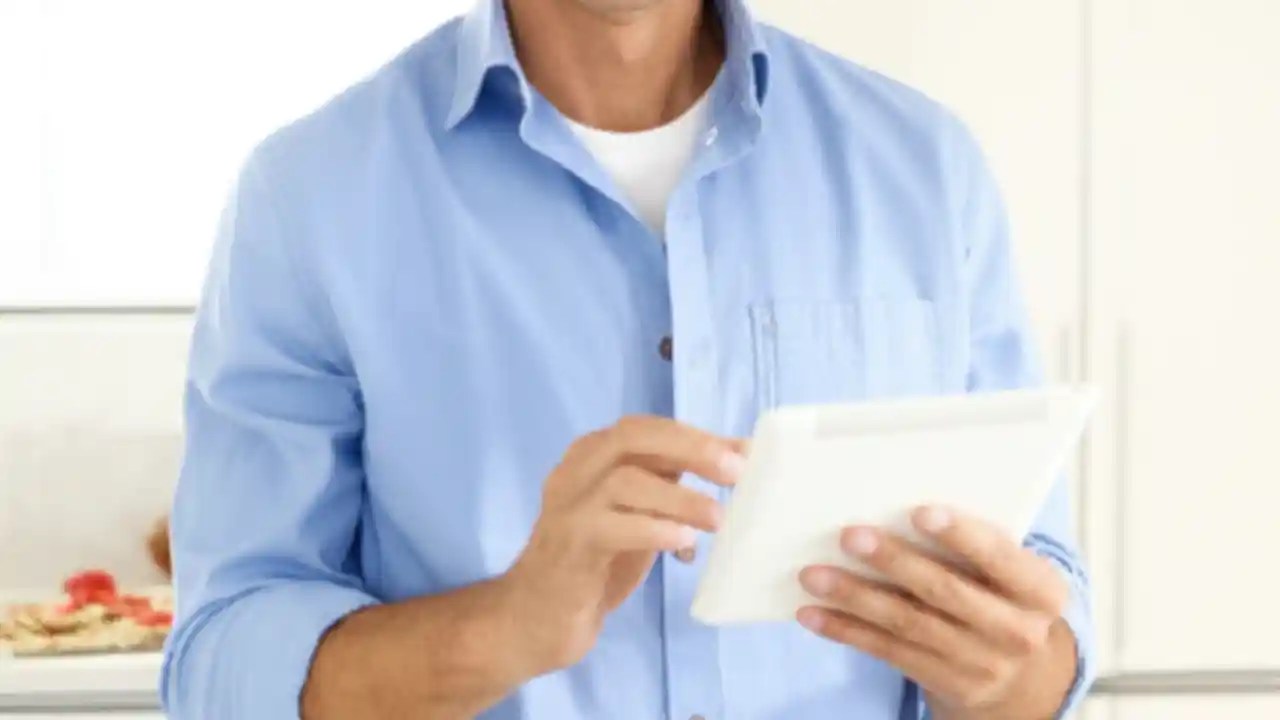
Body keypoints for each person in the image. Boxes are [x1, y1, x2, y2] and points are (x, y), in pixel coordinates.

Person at [161, 0, 1095, 717]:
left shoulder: (924, 168)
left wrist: (1001, 672)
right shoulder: (311, 195)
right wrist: (508, 628)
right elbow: (220, 662)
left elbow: (1042, 627)